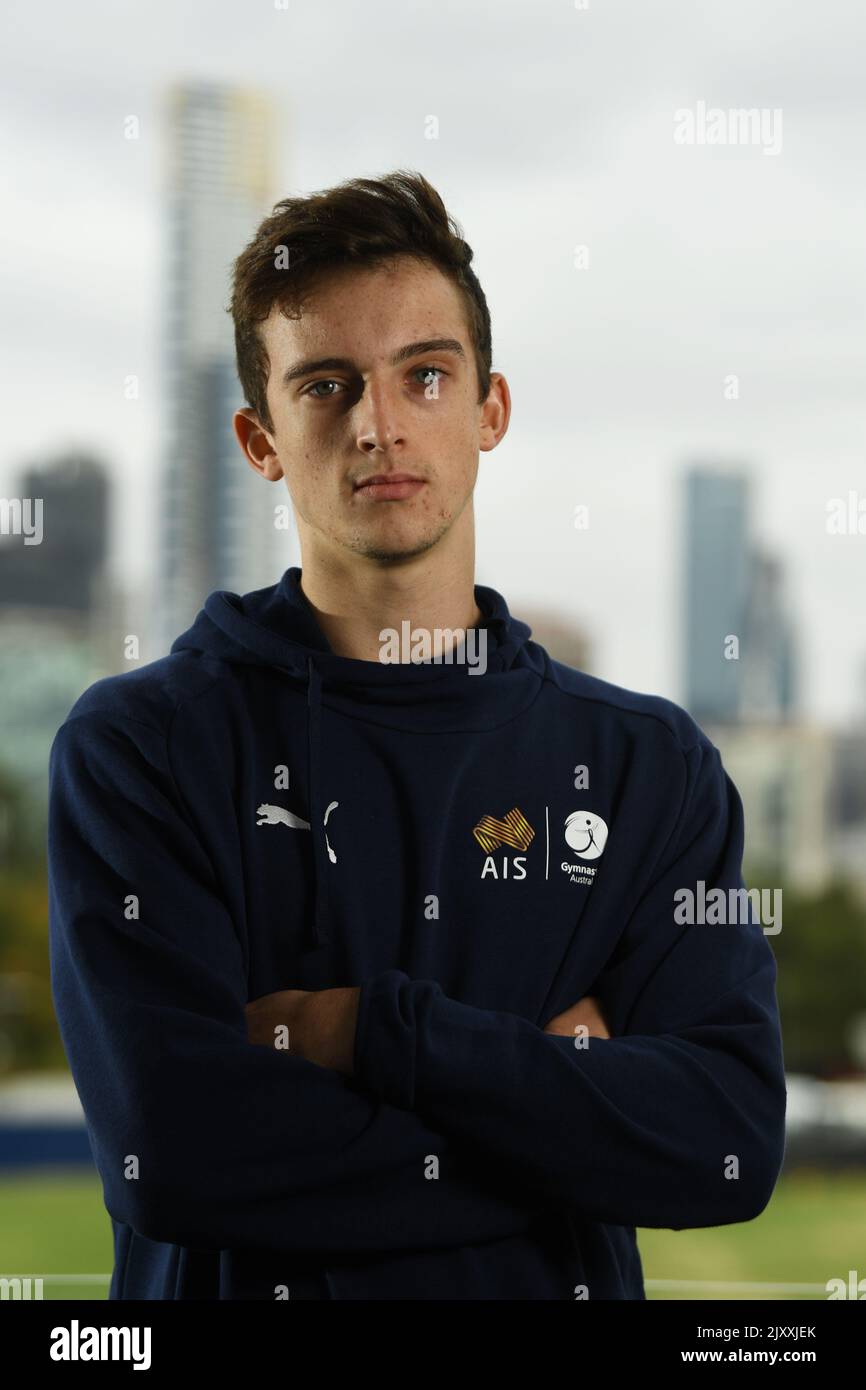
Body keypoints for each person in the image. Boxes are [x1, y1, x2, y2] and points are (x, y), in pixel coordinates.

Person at [48, 169, 786, 1301]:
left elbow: (723, 1138)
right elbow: (178, 1154)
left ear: (489, 408)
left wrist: (370, 1033)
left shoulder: (649, 768)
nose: (378, 425)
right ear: (260, 438)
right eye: (326, 386)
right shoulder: (142, 746)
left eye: (423, 375)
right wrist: (564, 1109)